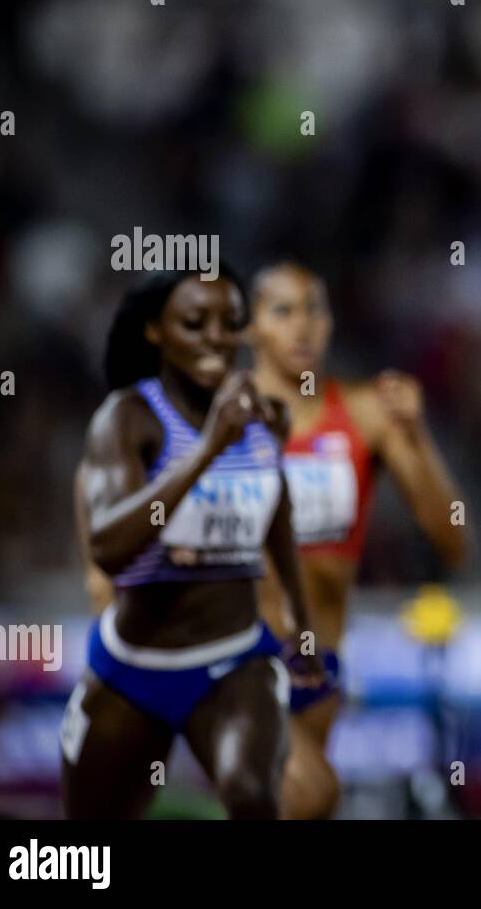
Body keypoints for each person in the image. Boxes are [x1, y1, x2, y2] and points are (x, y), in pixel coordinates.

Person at [63, 267, 322, 819]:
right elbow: (110, 546)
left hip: (231, 662)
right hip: (132, 667)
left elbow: (276, 513)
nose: (215, 337)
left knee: (251, 797)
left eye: (230, 323)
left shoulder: (258, 415)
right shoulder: (128, 418)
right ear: (156, 332)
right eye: (194, 322)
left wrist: (300, 619)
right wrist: (208, 449)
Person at [249, 261, 468, 819]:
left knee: (300, 802)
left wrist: (418, 439)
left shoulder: (367, 416)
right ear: (250, 327)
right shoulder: (216, 418)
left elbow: (454, 539)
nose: (302, 326)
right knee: (308, 789)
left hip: (318, 665)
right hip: (231, 660)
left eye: (314, 310)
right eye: (283, 311)